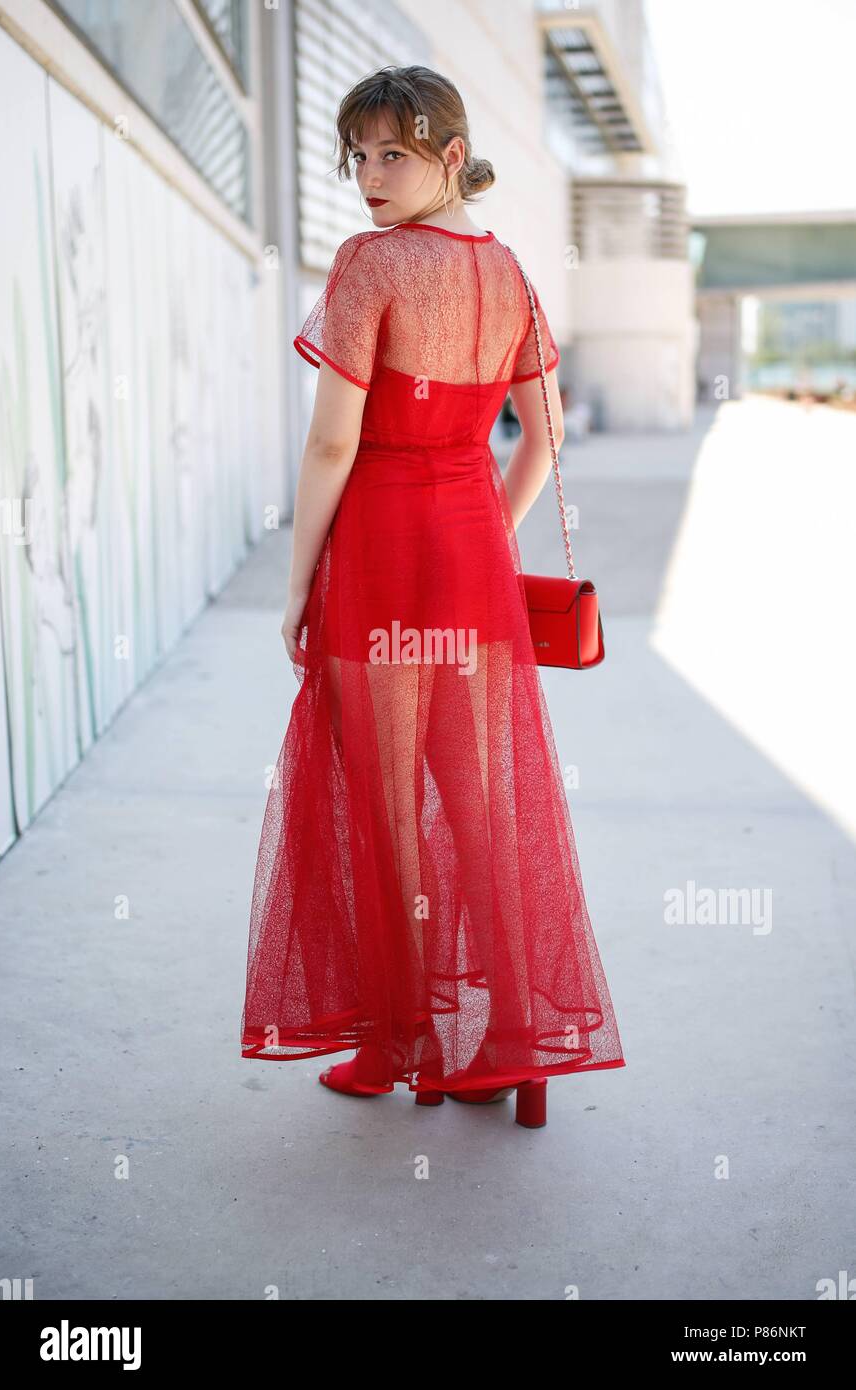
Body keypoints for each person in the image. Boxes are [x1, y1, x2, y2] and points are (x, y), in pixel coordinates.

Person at [240, 65, 625, 1129]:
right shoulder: (510, 277)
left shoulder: (370, 266)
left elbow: (331, 442)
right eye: (355, 155)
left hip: (373, 558)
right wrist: (484, 536)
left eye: (390, 152)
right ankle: (512, 1049)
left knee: (383, 811)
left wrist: (294, 582)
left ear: (449, 155)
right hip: (468, 564)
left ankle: (395, 1040)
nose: (368, 175)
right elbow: (543, 435)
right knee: (481, 801)